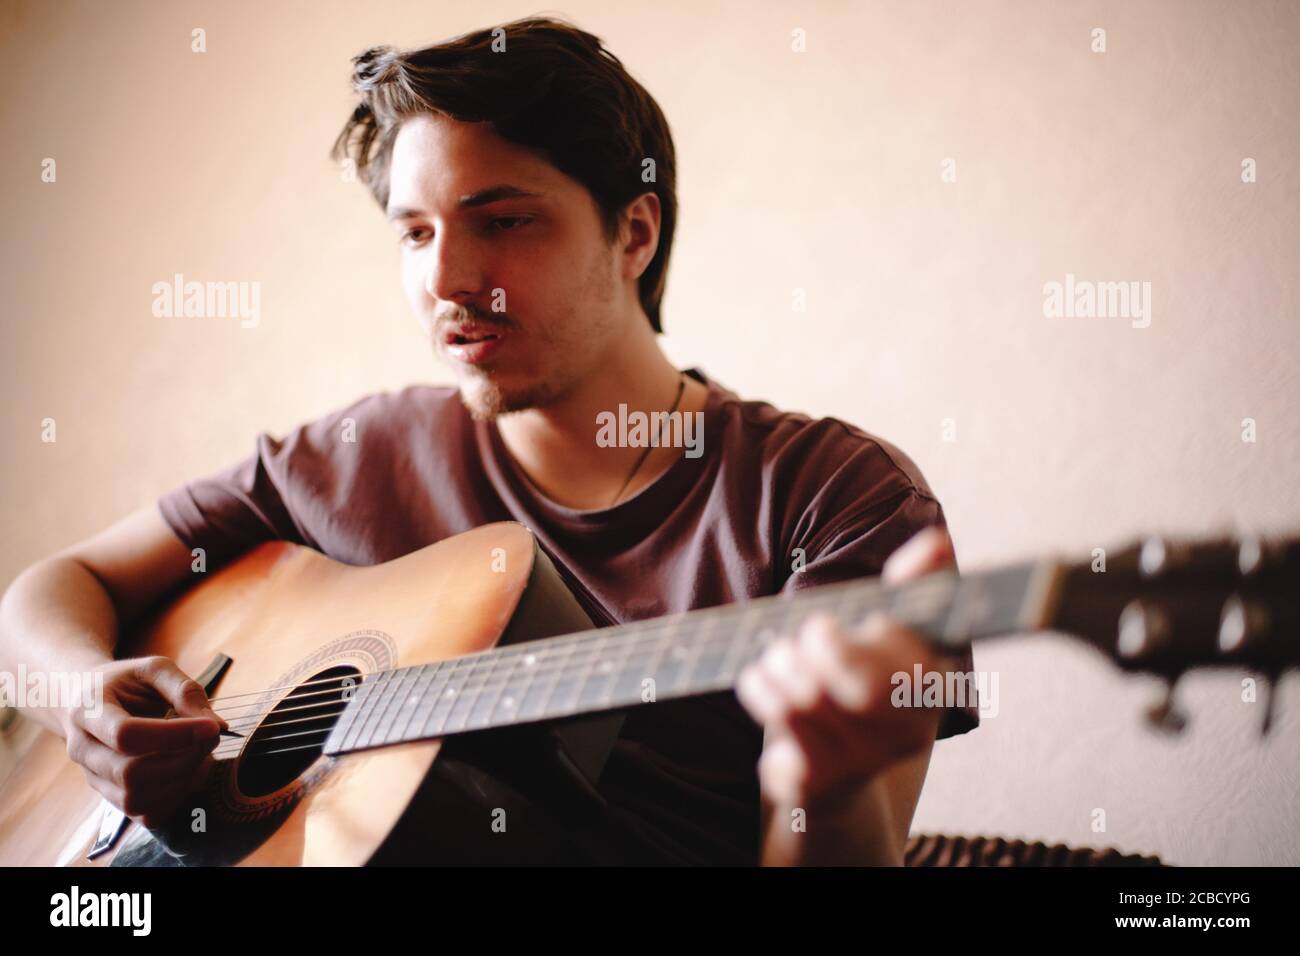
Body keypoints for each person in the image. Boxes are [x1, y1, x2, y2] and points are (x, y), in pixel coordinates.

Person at [0, 16, 976, 866]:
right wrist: (83, 694)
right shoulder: (360, 452)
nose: (450, 277)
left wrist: (828, 781)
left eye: (501, 220)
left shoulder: (835, 500)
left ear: (633, 233)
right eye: (414, 233)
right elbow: (52, 588)